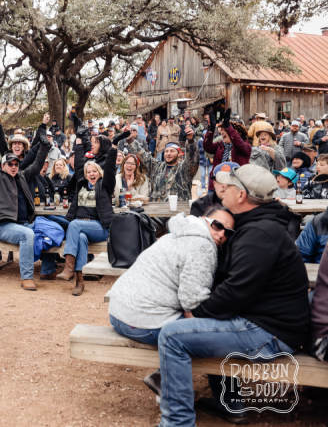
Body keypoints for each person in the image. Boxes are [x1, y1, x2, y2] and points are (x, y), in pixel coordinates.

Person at [156, 164, 310, 426]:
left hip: (272, 333)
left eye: (228, 186)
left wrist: (198, 312)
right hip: (269, 322)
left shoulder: (259, 234)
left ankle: (178, 422)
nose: (222, 190)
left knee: (172, 336)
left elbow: (235, 291)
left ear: (241, 196)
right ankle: (230, 403)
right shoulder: (257, 224)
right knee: (206, 324)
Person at [109, 205, 234, 395]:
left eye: (228, 232)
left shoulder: (177, 232)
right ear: (203, 220)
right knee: (214, 334)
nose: (221, 234)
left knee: (195, 329)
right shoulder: (202, 246)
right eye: (217, 225)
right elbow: (193, 302)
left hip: (119, 311)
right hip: (141, 320)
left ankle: (162, 376)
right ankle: (228, 401)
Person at [0, 119, 52, 290]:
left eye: (16, 164)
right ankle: (27, 277)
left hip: (25, 223)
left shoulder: (22, 176)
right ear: (3, 165)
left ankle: (48, 269)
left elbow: (37, 164)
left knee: (52, 230)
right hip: (4, 226)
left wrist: (44, 146)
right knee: (27, 235)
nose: (13, 166)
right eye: (9, 164)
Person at [61, 127, 118, 296]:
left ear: (98, 173)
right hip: (82, 228)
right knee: (80, 238)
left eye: (94, 171)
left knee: (75, 226)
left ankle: (68, 266)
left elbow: (109, 167)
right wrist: (79, 144)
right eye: (88, 172)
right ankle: (79, 281)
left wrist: (114, 147)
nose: (91, 174)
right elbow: (78, 165)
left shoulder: (105, 185)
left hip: (100, 227)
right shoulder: (82, 184)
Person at [124, 123, 197, 202]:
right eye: (166, 151)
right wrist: (130, 139)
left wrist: (190, 141)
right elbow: (143, 155)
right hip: (157, 211)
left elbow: (192, 159)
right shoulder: (157, 167)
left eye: (172, 151)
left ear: (179, 154)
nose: (168, 153)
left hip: (179, 212)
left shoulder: (184, 169)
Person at [202, 109, 251, 191]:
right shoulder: (220, 145)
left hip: (235, 188)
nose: (221, 132)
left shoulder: (245, 146)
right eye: (221, 130)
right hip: (216, 186)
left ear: (235, 132)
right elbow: (207, 147)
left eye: (225, 130)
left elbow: (240, 144)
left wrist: (228, 127)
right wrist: (211, 128)